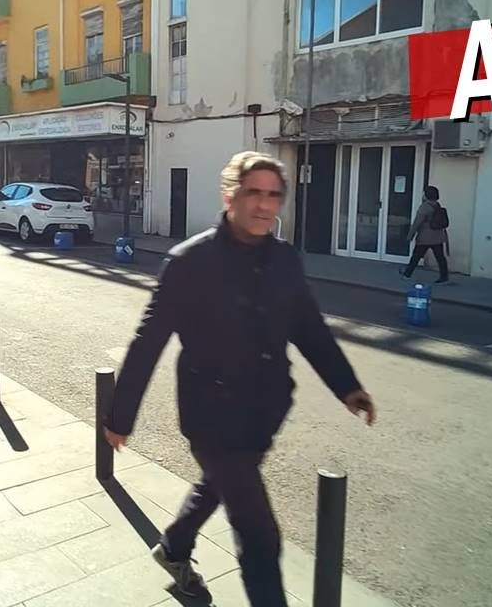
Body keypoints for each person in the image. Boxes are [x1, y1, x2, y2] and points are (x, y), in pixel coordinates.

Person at [104, 151, 376, 606]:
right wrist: (120, 415)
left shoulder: (286, 259)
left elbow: (308, 327)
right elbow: (148, 340)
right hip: (212, 417)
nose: (265, 205)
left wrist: (346, 385)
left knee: (218, 484)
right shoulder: (190, 261)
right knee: (260, 535)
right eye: (254, 193)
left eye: (274, 195)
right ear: (231, 195)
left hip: (266, 410)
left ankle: (173, 548)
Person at [402, 185, 449, 283]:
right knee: (440, 257)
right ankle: (444, 277)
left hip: (425, 237)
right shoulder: (437, 205)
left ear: (426, 195)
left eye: (424, 193)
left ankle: (407, 274)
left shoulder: (424, 207)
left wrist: (410, 235)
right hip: (438, 236)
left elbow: (417, 223)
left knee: (416, 256)